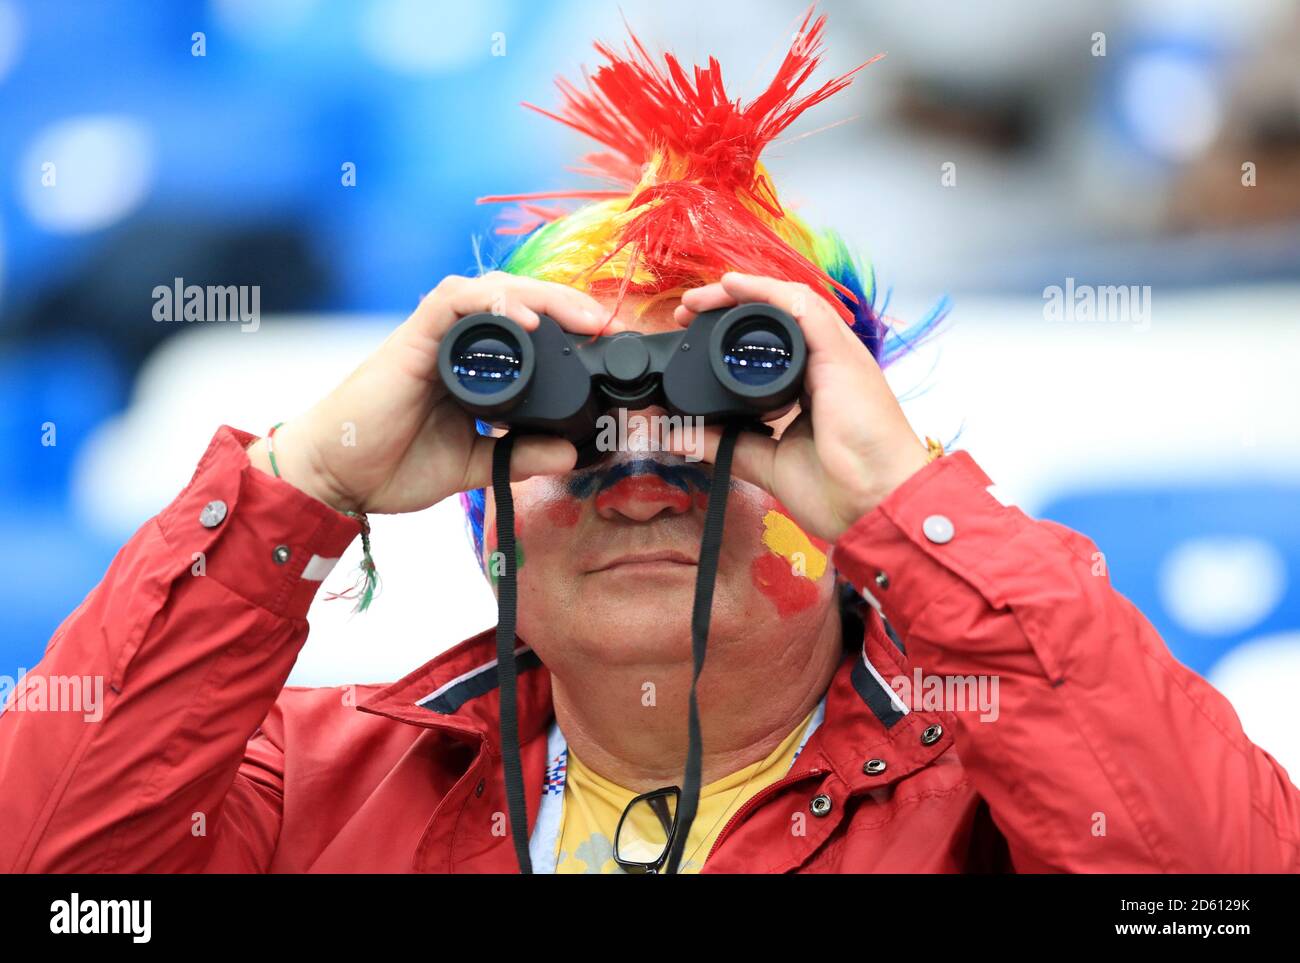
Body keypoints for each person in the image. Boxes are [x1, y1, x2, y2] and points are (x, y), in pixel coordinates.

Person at [2, 11, 1297, 875]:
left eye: (727, 400)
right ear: (485, 483)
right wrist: (306, 482)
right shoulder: (308, 784)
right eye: (564, 404)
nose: (639, 475)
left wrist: (908, 504)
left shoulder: (1001, 798)